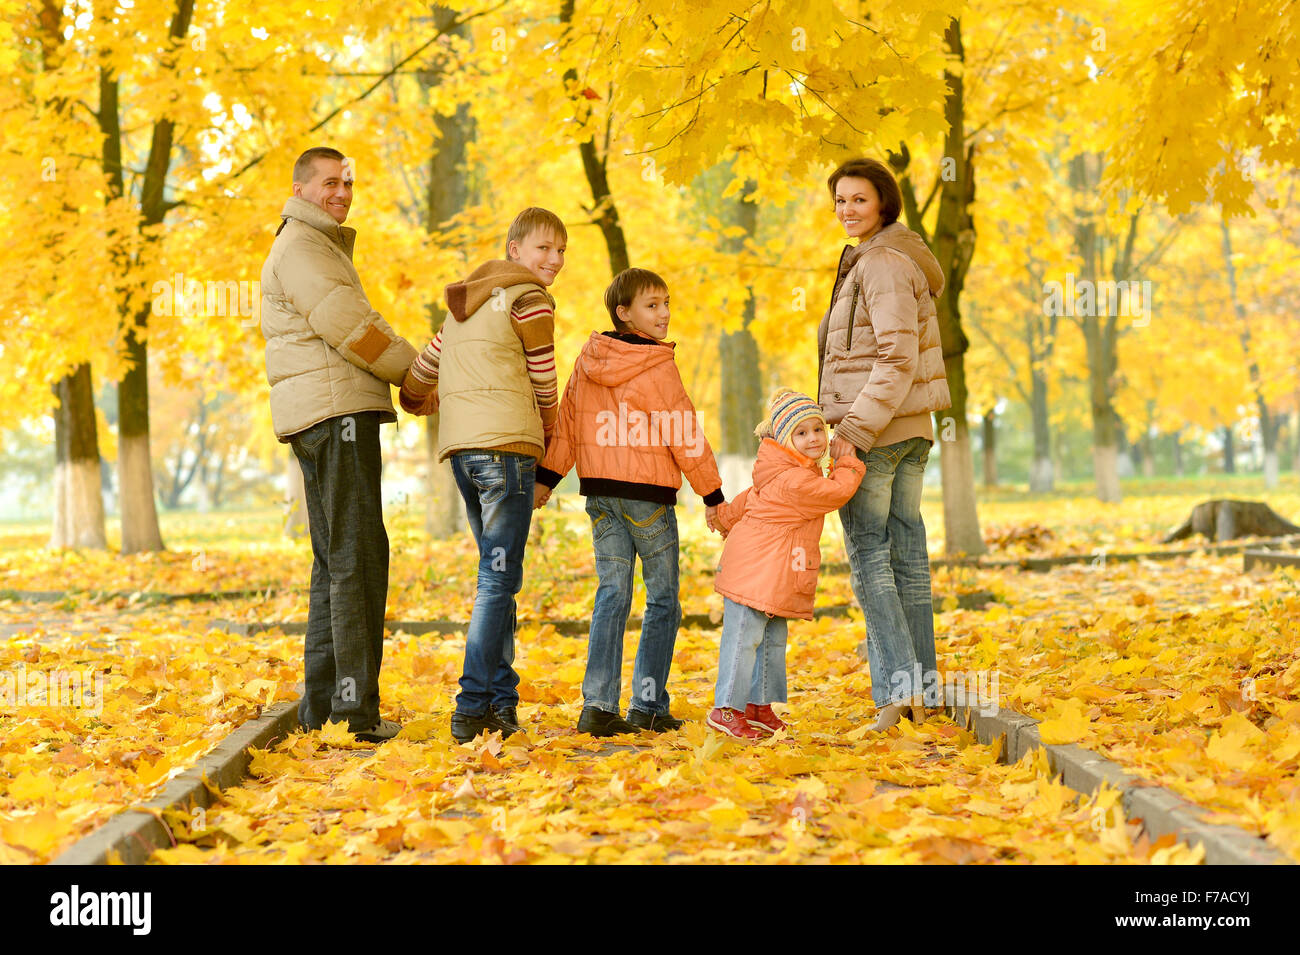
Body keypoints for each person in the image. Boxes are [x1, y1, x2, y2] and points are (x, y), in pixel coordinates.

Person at [260, 146, 418, 743]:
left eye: (347, 183)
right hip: (337, 417)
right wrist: (418, 374)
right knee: (357, 559)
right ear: (299, 189)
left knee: (336, 560)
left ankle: (323, 709)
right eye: (329, 182)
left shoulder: (314, 246)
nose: (342, 193)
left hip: (325, 416)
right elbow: (353, 327)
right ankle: (355, 715)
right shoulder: (303, 246)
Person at [533, 268, 725, 736]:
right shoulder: (657, 364)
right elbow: (684, 432)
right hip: (649, 501)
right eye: (652, 305)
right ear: (625, 313)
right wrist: (712, 494)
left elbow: (569, 424)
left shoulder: (588, 358)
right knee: (662, 601)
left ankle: (598, 705)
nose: (664, 314)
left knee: (613, 595)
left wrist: (547, 478)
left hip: (601, 494)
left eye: (666, 303)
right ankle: (648, 705)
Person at [400, 208, 565, 744]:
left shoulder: (464, 307)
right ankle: (471, 705)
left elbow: (420, 376)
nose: (554, 260)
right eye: (543, 248)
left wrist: (431, 405)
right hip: (508, 454)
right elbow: (544, 381)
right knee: (497, 582)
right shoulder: (529, 298)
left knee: (500, 580)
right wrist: (550, 434)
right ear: (514, 250)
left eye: (561, 251)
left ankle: (500, 700)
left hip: (464, 456)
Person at [817, 157, 951, 732]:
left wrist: (852, 431)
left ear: (884, 204)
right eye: (840, 201)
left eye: (859, 200)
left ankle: (896, 696)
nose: (847, 210)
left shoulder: (883, 264)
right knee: (905, 555)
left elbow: (895, 357)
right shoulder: (882, 260)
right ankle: (922, 689)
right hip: (909, 430)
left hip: (877, 433)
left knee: (871, 554)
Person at [707, 389, 865, 739]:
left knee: (772, 641)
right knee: (744, 638)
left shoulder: (785, 471)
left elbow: (748, 500)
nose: (813, 438)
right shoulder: (795, 479)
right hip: (755, 573)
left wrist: (724, 518)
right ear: (783, 439)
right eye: (801, 432)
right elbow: (836, 492)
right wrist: (848, 461)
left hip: (772, 575)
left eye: (818, 430)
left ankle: (757, 706)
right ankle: (726, 709)